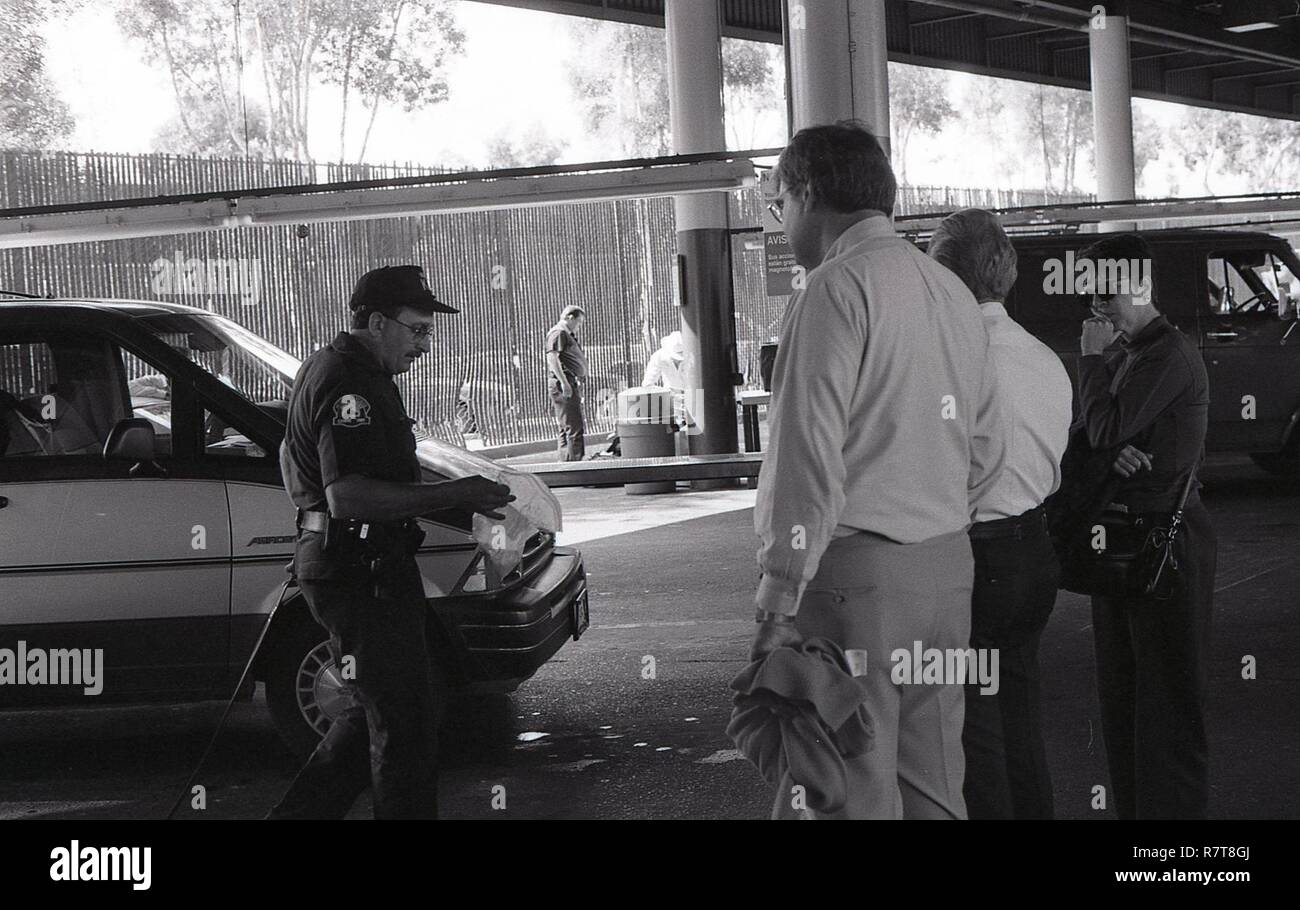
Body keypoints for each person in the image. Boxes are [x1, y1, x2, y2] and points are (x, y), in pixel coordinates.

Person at [750, 122, 1006, 820]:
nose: (784, 222)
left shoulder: (834, 288)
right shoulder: (950, 291)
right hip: (948, 573)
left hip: (854, 583)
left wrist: (778, 596)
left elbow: (809, 455)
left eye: (780, 206)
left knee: (847, 787)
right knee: (935, 784)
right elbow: (989, 443)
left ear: (806, 193)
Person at [269, 264, 515, 820]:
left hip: (360, 561)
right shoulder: (349, 382)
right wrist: (456, 493)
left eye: (429, 332)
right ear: (377, 321)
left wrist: (457, 497)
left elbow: (295, 462)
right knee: (403, 724)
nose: (425, 346)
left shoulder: (335, 368)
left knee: (383, 710)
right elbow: (348, 496)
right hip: (358, 570)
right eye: (417, 331)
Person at [928, 209, 1072, 819]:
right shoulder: (1043, 357)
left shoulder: (947, 360)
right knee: (1019, 715)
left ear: (944, 277)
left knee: (975, 729)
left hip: (977, 558)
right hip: (1034, 556)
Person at [1076, 234, 1215, 820]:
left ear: (1136, 284)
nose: (1095, 309)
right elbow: (1098, 438)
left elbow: (1104, 429)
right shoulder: (1130, 352)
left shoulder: (1164, 355)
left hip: (1166, 543)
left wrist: (1089, 360)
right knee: (1126, 700)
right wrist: (1110, 445)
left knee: (1166, 704)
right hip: (1129, 540)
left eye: (1102, 293)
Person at [545, 305, 588, 461]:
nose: (579, 326)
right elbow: (552, 358)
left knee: (567, 426)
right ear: (570, 317)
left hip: (568, 381)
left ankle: (566, 462)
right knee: (573, 427)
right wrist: (564, 383)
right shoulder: (559, 333)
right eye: (579, 322)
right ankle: (575, 466)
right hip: (563, 383)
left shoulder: (565, 334)